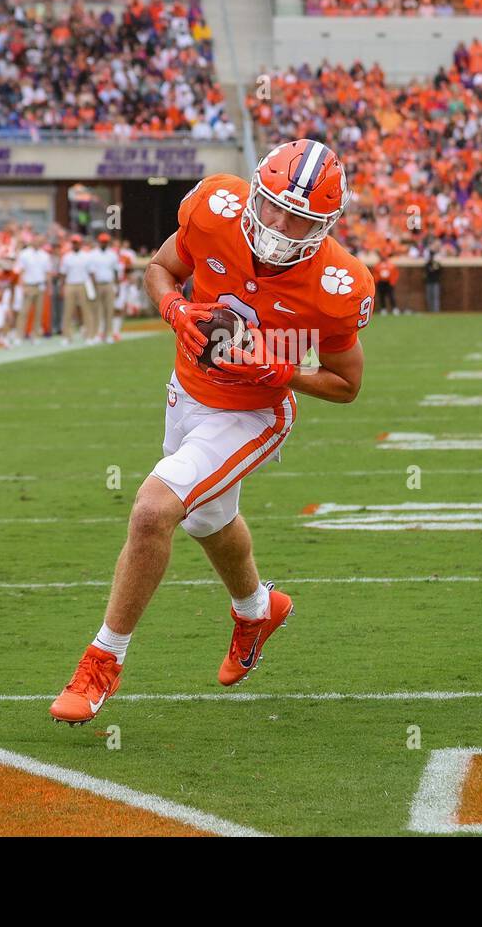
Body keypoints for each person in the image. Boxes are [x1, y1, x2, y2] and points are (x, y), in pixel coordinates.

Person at [50, 139, 374, 725]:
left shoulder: (338, 283)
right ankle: (257, 608)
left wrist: (280, 368)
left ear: (326, 222)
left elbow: (346, 384)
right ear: (254, 191)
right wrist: (175, 310)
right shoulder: (215, 205)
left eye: (299, 217)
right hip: (185, 393)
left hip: (252, 415)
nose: (278, 224)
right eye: (273, 205)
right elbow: (160, 269)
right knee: (208, 517)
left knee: (154, 511)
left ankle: (104, 659)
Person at [423, 238, 443, 313]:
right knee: (429, 296)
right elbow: (427, 265)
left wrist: (432, 267)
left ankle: (435, 312)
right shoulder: (427, 253)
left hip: (436, 279)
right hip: (429, 278)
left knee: (435, 297)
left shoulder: (437, 255)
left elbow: (437, 267)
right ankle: (430, 311)